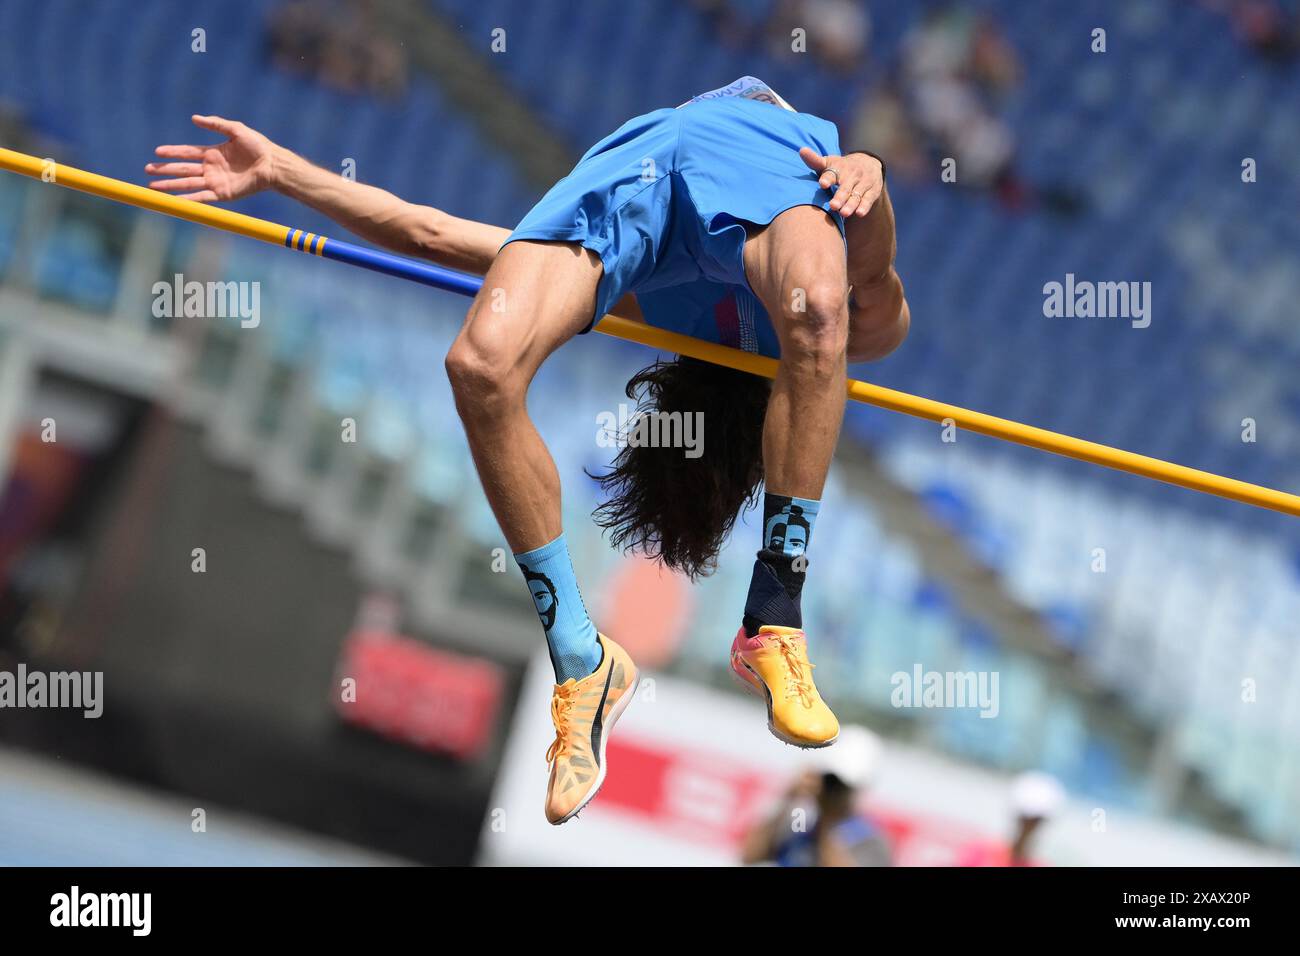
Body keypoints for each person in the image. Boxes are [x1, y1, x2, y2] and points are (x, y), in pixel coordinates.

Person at [145, 75, 909, 825]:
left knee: (492, 361)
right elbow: (868, 255)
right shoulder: (781, 317)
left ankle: (663, 638)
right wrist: (869, 172)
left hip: (687, 170)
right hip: (702, 154)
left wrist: (288, 174)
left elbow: (433, 235)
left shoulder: (653, 300)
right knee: (488, 364)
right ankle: (710, 630)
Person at [742, 725, 892, 866]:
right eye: (829, 779)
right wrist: (788, 799)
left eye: (841, 785)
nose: (833, 789)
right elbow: (749, 856)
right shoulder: (799, 819)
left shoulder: (870, 840)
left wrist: (826, 821)